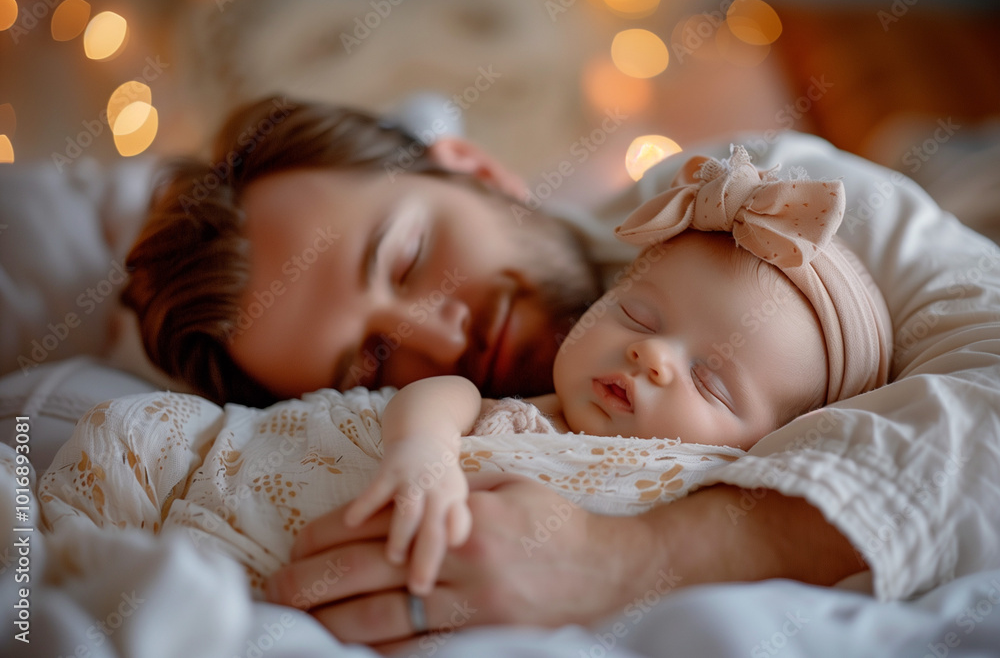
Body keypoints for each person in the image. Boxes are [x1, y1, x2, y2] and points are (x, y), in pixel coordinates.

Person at [122, 96, 1000, 646]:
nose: (440, 335)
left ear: (472, 169)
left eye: (410, 256)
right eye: (371, 362)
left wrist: (632, 559)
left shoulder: (756, 209)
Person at [345, 145, 893, 598]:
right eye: (635, 316)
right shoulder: (543, 411)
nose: (651, 356)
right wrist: (422, 447)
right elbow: (446, 394)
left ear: (773, 443)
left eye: (709, 382)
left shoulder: (713, 505)